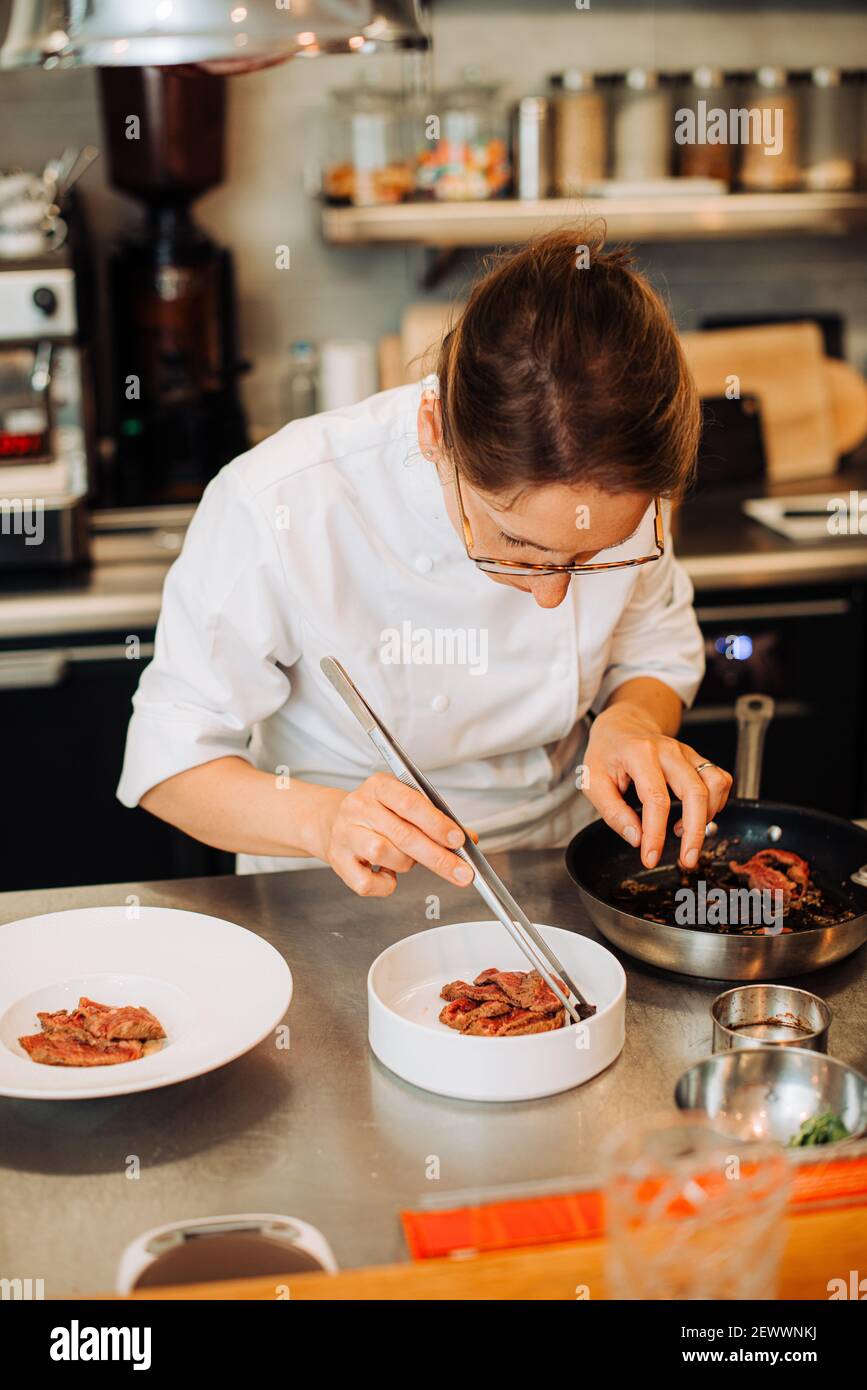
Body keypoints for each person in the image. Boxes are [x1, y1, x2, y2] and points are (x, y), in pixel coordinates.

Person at [118, 228, 732, 897]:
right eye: (517, 546)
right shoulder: (283, 502)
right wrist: (324, 823)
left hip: (556, 869)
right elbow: (169, 764)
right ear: (434, 433)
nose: (553, 595)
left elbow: (654, 651)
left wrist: (629, 721)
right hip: (331, 891)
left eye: (592, 556)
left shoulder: (624, 481)